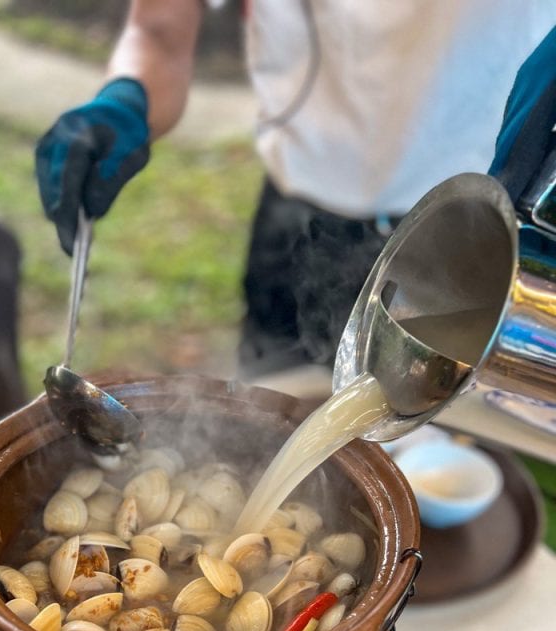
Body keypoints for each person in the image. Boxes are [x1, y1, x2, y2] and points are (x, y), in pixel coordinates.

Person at [34, 2, 556, 384]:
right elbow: (159, 33)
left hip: (470, 224)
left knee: (443, 441)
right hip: (299, 212)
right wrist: (126, 97)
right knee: (266, 408)